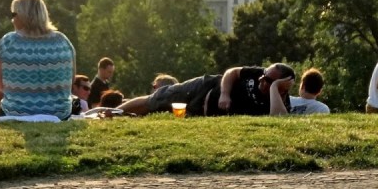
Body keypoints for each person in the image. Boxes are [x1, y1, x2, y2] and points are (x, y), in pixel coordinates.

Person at [0, 0, 75, 120]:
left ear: (23, 15)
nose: (12, 19)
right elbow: (71, 79)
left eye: (14, 14)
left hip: (16, 113)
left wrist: (19, 94)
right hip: (59, 114)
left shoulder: (8, 42)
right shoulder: (63, 41)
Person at [118, 63, 295, 117]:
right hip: (204, 87)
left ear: (283, 85)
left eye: (269, 81)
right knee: (158, 99)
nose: (262, 81)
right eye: (264, 77)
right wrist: (225, 93)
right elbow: (232, 72)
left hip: (201, 111)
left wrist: (274, 88)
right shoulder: (258, 74)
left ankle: (120, 115)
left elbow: (278, 119)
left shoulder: (280, 102)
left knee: (160, 111)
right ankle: (115, 111)